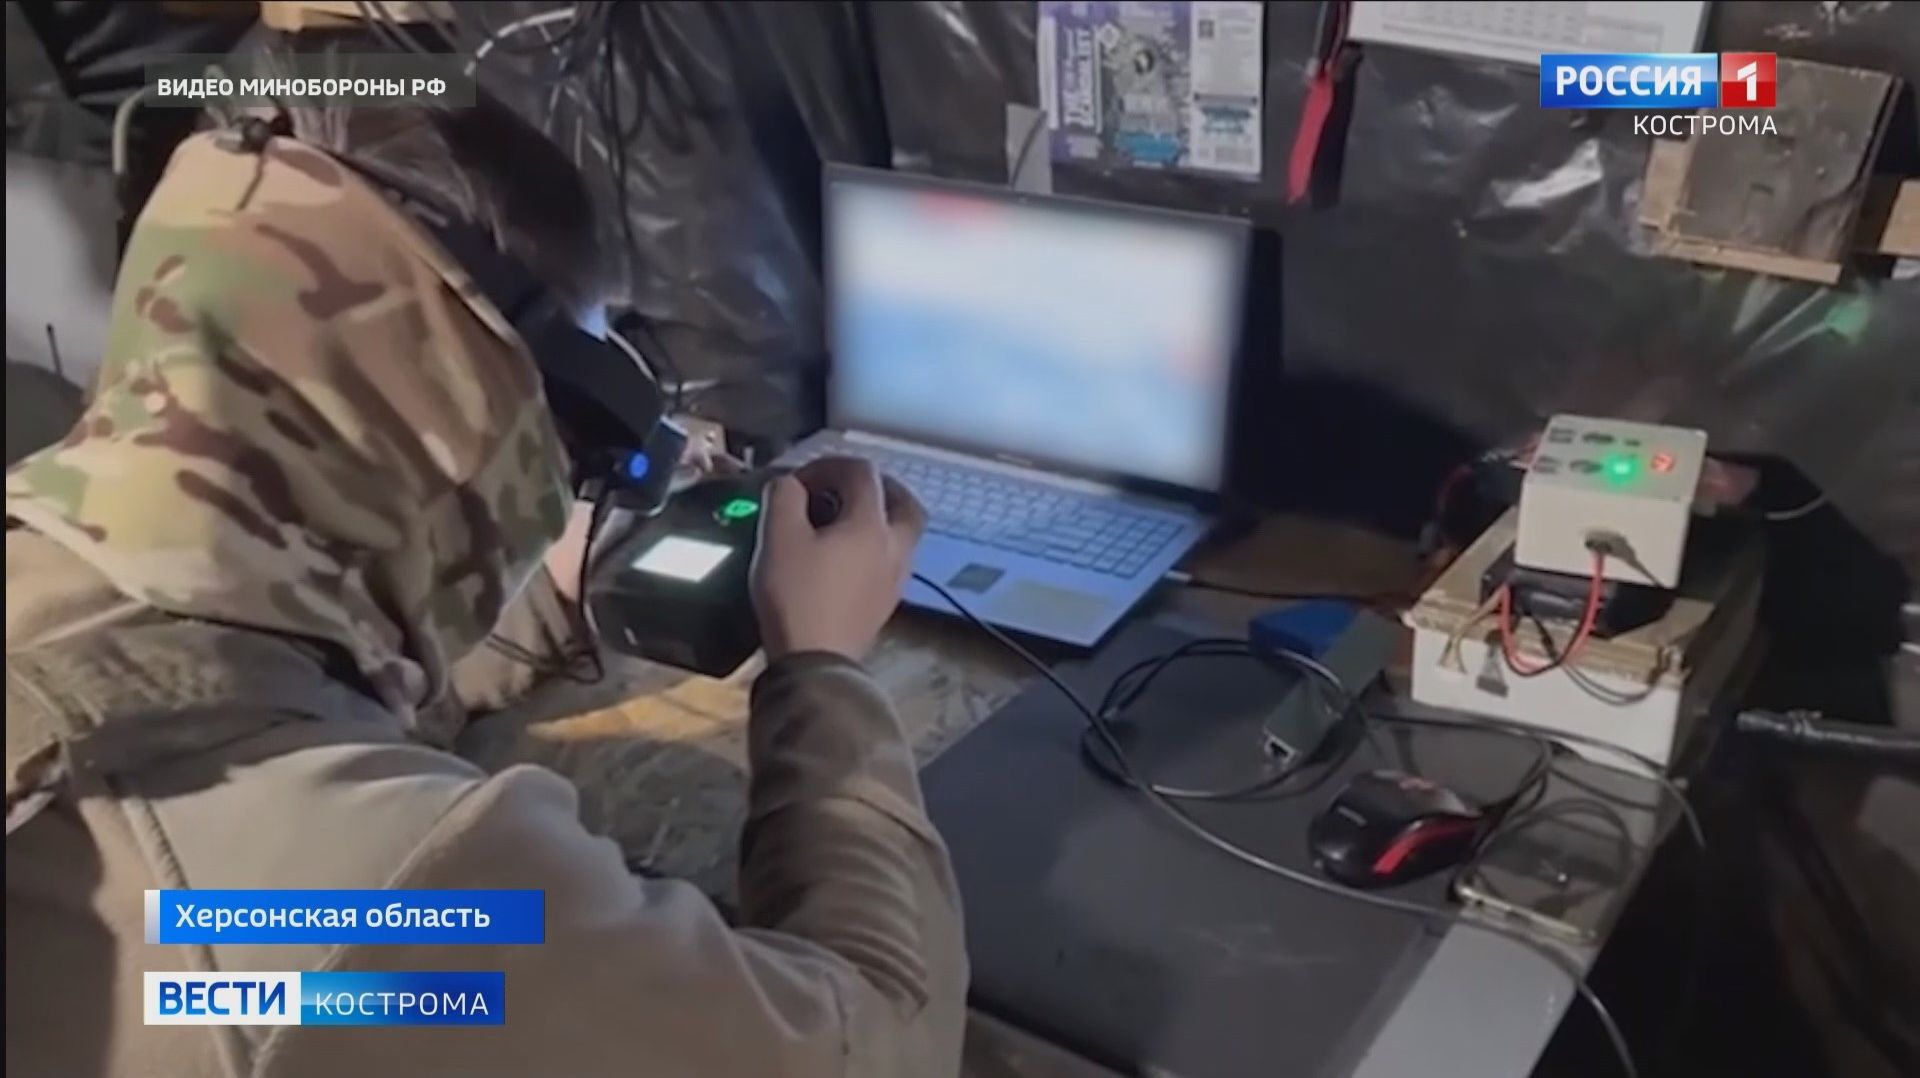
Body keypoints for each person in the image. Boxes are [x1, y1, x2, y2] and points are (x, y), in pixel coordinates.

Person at [4, 66, 965, 1078]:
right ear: (479, 419)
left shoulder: (58, 587)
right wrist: (823, 668)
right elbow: (877, 1042)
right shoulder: (379, 908)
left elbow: (244, 700)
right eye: (563, 446)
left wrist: (535, 595)